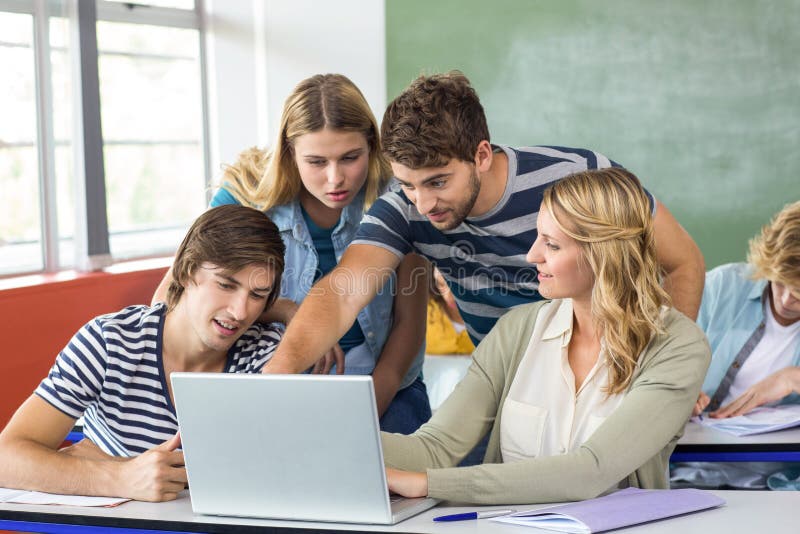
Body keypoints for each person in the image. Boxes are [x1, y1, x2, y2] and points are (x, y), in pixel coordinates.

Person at [264, 70, 705, 377]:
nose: (425, 203)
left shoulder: (578, 178)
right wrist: (277, 375)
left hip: (602, 380)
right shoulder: (406, 206)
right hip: (503, 386)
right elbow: (342, 293)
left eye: (438, 181)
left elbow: (683, 262)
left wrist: (664, 375)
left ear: (481, 154)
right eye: (408, 184)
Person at [380, 167, 710, 504]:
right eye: (538, 237)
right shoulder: (515, 331)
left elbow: (590, 471)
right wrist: (342, 440)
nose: (532, 255)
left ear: (603, 252)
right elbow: (434, 447)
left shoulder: (677, 347)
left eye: (551, 244)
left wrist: (428, 484)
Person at [153, 74, 430, 434]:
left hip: (383, 381)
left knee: (394, 482)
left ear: (372, 147)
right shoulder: (244, 193)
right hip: (271, 377)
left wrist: (365, 415)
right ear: (289, 153)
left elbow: (410, 324)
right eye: (316, 162)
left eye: (350, 158)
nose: (335, 179)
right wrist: (285, 310)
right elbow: (171, 300)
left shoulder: (402, 195)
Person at [0, 205, 285, 502]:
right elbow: (6, 459)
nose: (239, 311)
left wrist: (110, 461)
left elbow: (269, 476)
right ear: (186, 273)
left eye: (257, 295)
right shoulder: (110, 342)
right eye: (226, 285)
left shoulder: (267, 357)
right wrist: (120, 477)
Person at [693, 200, 800, 418]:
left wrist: (791, 377)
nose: (787, 299)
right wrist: (679, 386)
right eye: (779, 282)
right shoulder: (721, 287)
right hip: (698, 438)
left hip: (782, 450)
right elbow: (656, 353)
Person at [426, 267, 475, 355]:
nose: (449, 296)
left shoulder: (496, 317)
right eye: (441, 284)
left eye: (458, 287)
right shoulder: (423, 314)